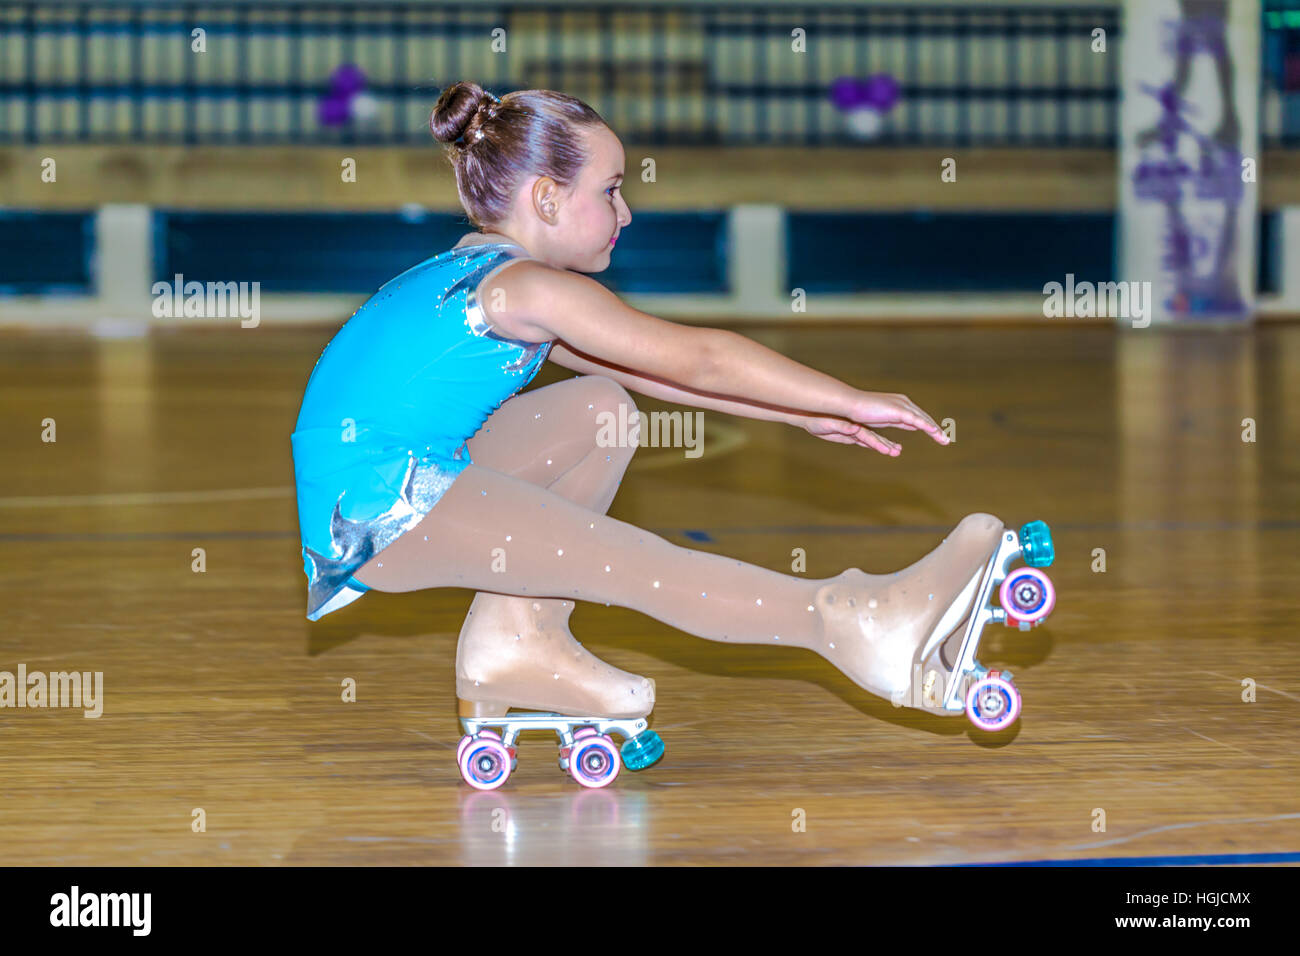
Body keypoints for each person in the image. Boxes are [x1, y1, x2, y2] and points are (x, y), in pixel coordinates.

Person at [290, 81, 1010, 734]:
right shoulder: (529, 288)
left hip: (375, 479)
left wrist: (801, 414)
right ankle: (852, 624)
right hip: (381, 503)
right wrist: (850, 396)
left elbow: (650, 373)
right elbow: (702, 357)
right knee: (637, 565)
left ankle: (517, 640)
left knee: (602, 408)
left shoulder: (475, 271)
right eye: (610, 190)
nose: (625, 212)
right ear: (546, 199)